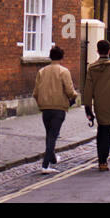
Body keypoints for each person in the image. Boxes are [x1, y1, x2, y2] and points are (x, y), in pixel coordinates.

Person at [83, 39, 110, 171]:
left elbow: (88, 90)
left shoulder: (91, 68)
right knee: (108, 133)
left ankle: (101, 160)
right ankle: (103, 162)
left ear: (97, 51)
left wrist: (88, 108)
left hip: (99, 104)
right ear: (109, 51)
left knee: (101, 131)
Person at [33, 45, 77, 174]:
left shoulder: (42, 71)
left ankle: (52, 158)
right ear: (62, 57)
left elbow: (35, 92)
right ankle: (45, 165)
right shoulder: (64, 71)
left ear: (50, 56)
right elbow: (70, 91)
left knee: (49, 134)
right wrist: (74, 97)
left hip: (45, 108)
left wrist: (41, 102)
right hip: (58, 108)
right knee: (53, 136)